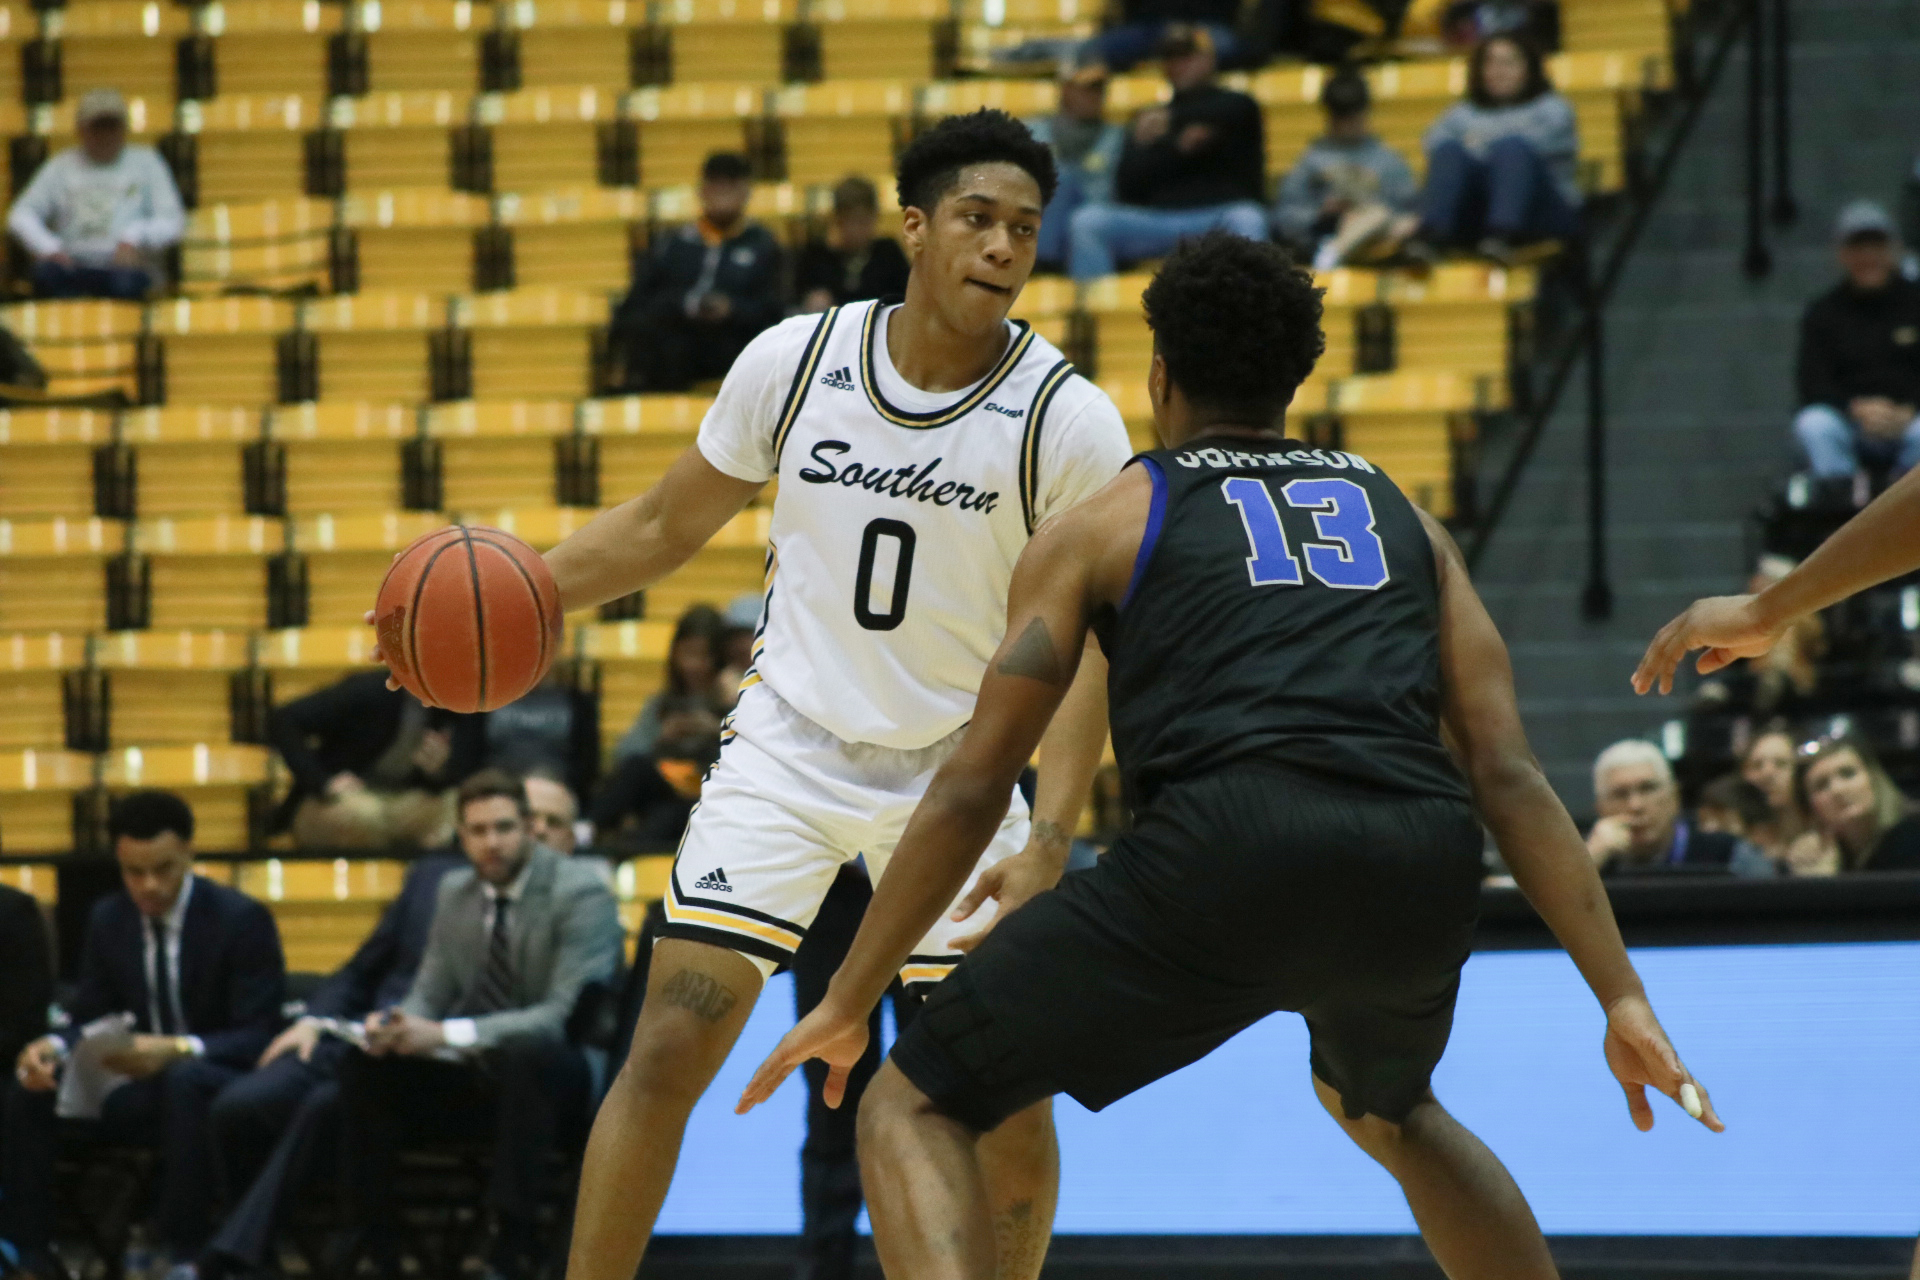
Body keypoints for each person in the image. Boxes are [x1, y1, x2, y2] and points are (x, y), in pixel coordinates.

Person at [738, 233, 1722, 1280]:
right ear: (1295, 378)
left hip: (1225, 847)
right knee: (1393, 1108)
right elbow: (1508, 772)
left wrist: (850, 994)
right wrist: (1619, 994)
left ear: (1159, 374)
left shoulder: (1104, 520)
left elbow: (977, 781)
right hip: (1417, 853)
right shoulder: (1408, 520)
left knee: (912, 1097)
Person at [389, 109, 1137, 1280]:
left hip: (961, 771)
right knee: (670, 1043)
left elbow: (1092, 646)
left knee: (1006, 1092)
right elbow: (660, 523)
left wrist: (1052, 835)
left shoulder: (1067, 418)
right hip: (787, 752)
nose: (1001, 246)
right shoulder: (795, 362)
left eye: (1023, 230)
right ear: (914, 227)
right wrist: (506, 596)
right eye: (977, 219)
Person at [329, 770, 622, 1280]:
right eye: (478, 831)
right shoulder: (453, 891)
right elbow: (430, 991)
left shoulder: (582, 892)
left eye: (504, 828)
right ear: (460, 837)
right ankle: (374, 1238)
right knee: (365, 1065)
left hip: (561, 1079)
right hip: (480, 1073)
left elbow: (561, 1018)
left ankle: (510, 1242)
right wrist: (397, 1026)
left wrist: (442, 1034)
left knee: (528, 1056)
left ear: (530, 828)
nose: (492, 843)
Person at [1, 793, 284, 1280]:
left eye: (163, 869)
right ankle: (32, 1255)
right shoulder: (108, 918)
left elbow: (259, 1034)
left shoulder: (240, 919)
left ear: (189, 854)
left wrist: (178, 1050)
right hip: (138, 1085)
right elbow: (89, 1014)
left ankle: (184, 1251)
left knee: (185, 1083)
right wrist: (55, 1047)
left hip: (215, 1080)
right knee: (29, 1091)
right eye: (134, 872)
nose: (149, 886)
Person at [201, 850, 462, 1280]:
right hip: (352, 1037)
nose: (491, 841)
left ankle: (236, 1256)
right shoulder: (430, 877)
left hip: (417, 1061)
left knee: (330, 1104)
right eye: (478, 828)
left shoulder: (540, 899)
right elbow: (358, 970)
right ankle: (254, 1255)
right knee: (239, 1106)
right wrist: (313, 1020)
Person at [1067, 26, 1267, 282]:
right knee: (1088, 222)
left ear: (1209, 59)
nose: (1178, 65)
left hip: (1217, 219)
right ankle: (1095, 318)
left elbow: (1235, 112)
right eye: (1170, 58)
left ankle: (1255, 317)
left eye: (1187, 57)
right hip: (1157, 223)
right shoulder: (1146, 119)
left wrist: (1172, 123)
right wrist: (1175, 148)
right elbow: (1127, 186)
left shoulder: (1237, 104)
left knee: (1249, 219)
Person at [610, 152, 785, 393]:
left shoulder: (764, 245)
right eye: (715, 184)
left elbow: (776, 307)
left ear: (746, 191)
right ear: (701, 191)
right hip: (678, 347)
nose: (722, 193)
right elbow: (641, 300)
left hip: (736, 344)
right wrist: (688, 304)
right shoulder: (672, 244)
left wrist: (731, 308)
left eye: (731, 185)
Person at [1405, 34, 1579, 264]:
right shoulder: (1460, 114)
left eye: (1509, 63)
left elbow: (1535, 151)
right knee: (1449, 151)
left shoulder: (1553, 110)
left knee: (1512, 149)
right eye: (1491, 63)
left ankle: (1503, 233)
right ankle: (1432, 236)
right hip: (1476, 213)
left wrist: (1478, 144)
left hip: (1540, 211)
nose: (1499, 71)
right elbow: (1434, 144)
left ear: (1529, 68)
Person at [267, 669, 485, 851]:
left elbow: (457, 776)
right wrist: (322, 782)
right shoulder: (371, 690)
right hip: (333, 803)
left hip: (398, 803)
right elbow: (283, 720)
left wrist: (438, 772)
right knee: (364, 815)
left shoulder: (463, 705)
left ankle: (419, 888)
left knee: (456, 807)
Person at [6, 88, 184, 300]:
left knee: (127, 283)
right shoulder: (60, 166)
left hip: (127, 268)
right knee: (45, 276)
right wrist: (49, 248)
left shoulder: (147, 163)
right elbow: (20, 215)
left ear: (124, 128)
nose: (106, 136)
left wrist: (134, 237)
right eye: (97, 128)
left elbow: (173, 221)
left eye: (112, 127)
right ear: (81, 130)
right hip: (72, 265)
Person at [1789, 200, 1920, 481]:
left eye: (1876, 246)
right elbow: (1812, 383)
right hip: (1852, 422)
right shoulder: (1824, 313)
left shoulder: (1916, 302)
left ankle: (1907, 510)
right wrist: (1855, 409)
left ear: (1894, 249)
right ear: (1842, 254)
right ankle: (1844, 513)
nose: (1868, 256)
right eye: (1858, 247)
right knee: (1814, 424)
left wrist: (1908, 410)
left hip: (1909, 419)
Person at [1272, 67, 1419, 272]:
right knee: (1377, 215)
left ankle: (1333, 252)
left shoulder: (1388, 160)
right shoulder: (1310, 162)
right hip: (1327, 233)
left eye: (1353, 116)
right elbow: (1285, 217)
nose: (1347, 126)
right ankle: (1335, 250)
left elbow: (1409, 212)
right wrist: (1323, 216)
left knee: (1379, 215)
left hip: (1380, 243)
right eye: (1341, 118)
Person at [1584, 740, 1776, 878]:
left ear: (1674, 798)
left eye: (1648, 788)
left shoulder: (1725, 853)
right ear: (1600, 808)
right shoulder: (1591, 859)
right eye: (1620, 794)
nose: (1636, 806)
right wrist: (1589, 862)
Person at [1025, 60, 1126, 274]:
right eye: (1086, 89)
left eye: (1099, 90)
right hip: (1045, 224)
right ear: (1066, 90)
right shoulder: (1031, 133)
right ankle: (1043, 266)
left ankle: (1044, 269)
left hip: (1095, 222)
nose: (1094, 96)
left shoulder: (1119, 135)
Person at [611, 603, 730, 762]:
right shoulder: (661, 703)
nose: (694, 665)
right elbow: (624, 753)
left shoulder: (734, 701)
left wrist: (716, 729)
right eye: (688, 653)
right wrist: (662, 735)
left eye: (704, 655)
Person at [1786, 736, 1920, 874]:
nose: (1838, 790)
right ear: (1811, 807)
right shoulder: (1820, 854)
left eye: (1848, 773)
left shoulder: (1913, 839)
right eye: (1822, 785)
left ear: (1874, 778)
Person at [795, 176, 911, 313]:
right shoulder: (816, 257)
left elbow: (906, 298)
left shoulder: (888, 252)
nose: (861, 229)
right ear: (837, 220)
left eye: (866, 221)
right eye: (854, 221)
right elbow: (794, 299)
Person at [1738, 727, 1820, 865]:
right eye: (1757, 765)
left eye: (1781, 764)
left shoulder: (1823, 836)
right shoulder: (1733, 840)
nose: (1767, 774)